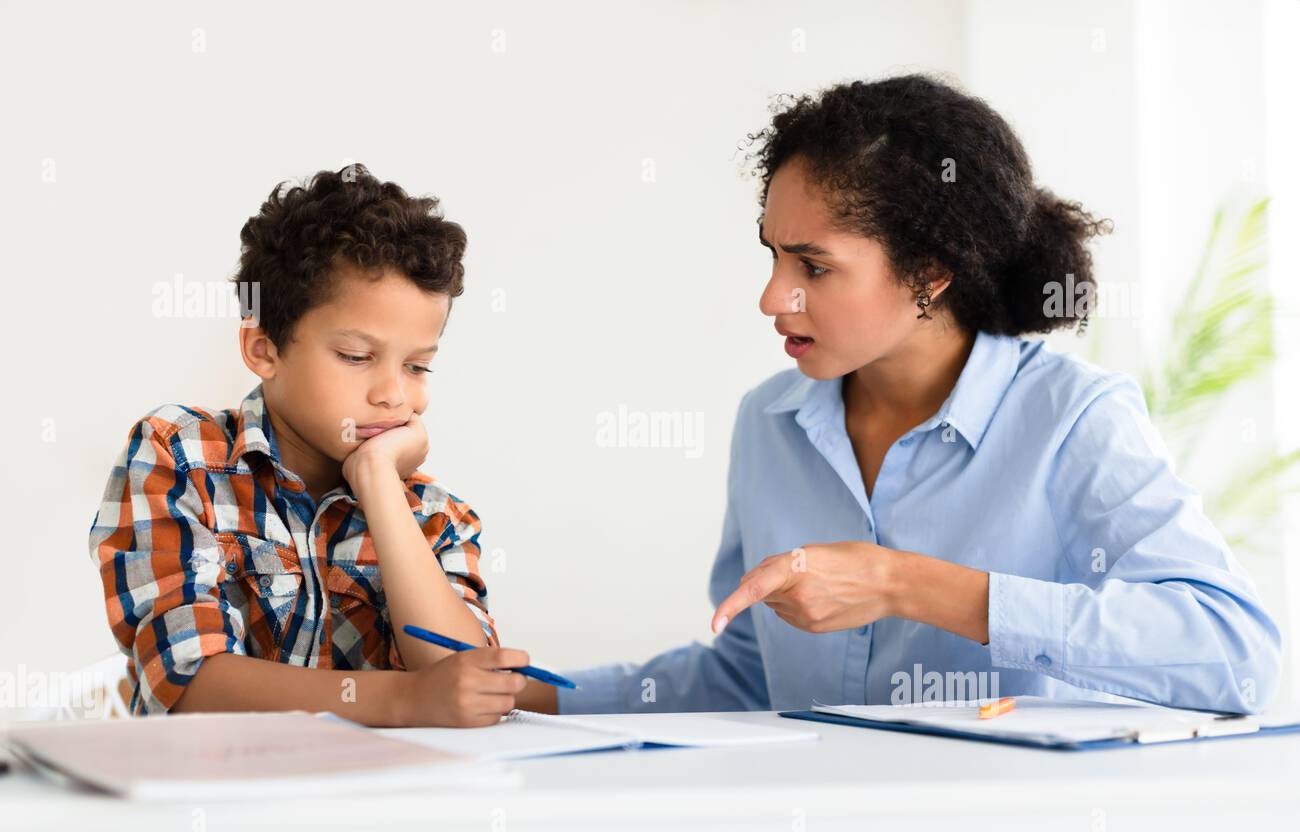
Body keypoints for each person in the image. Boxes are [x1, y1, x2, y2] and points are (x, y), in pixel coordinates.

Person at [518, 74, 1281, 717]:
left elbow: (1234, 653)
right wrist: (529, 693)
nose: (772, 298)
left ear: (930, 273)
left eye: (813, 268)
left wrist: (904, 583)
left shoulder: (1072, 418)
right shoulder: (770, 423)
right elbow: (750, 675)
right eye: (773, 256)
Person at [88, 164, 529, 725]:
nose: (394, 395)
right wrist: (406, 699)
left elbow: (468, 684)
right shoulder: (181, 456)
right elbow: (191, 682)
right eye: (355, 357)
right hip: (211, 797)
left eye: (418, 366)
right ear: (264, 349)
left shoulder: (434, 516)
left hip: (384, 802)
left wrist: (378, 486)